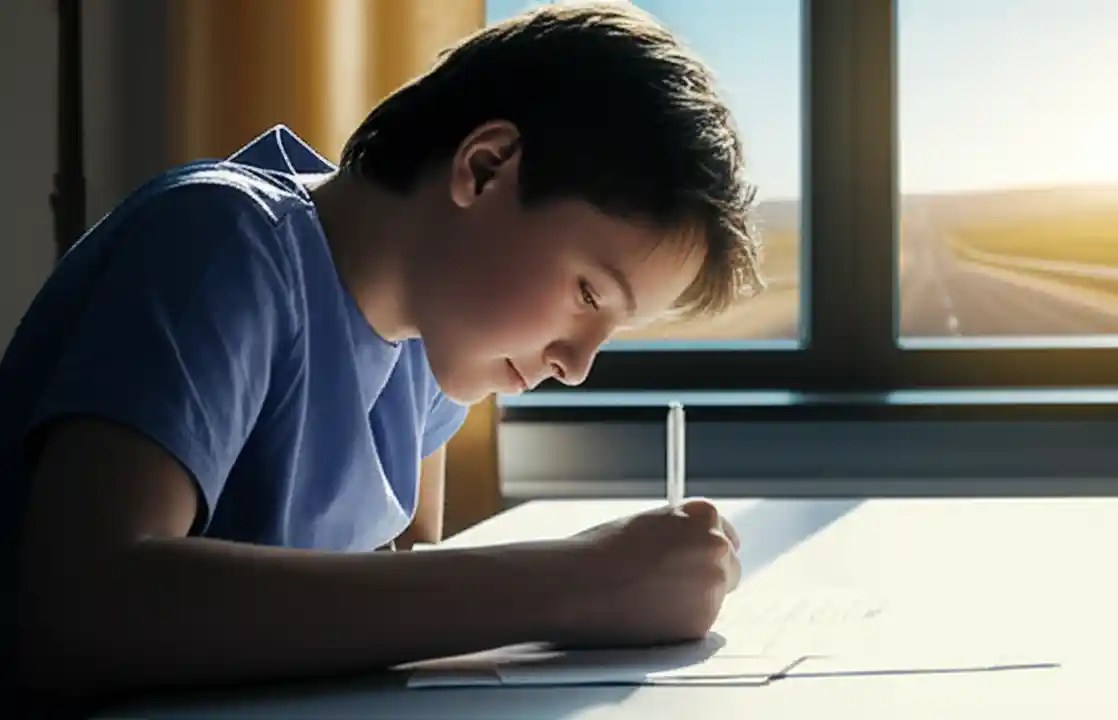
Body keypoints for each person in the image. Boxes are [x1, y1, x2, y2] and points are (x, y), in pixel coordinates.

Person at [2, 0, 764, 707]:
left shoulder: (426, 346)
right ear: (485, 168)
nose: (576, 364)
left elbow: (396, 596)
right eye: (589, 294)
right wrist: (581, 583)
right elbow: (79, 608)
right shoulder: (221, 242)